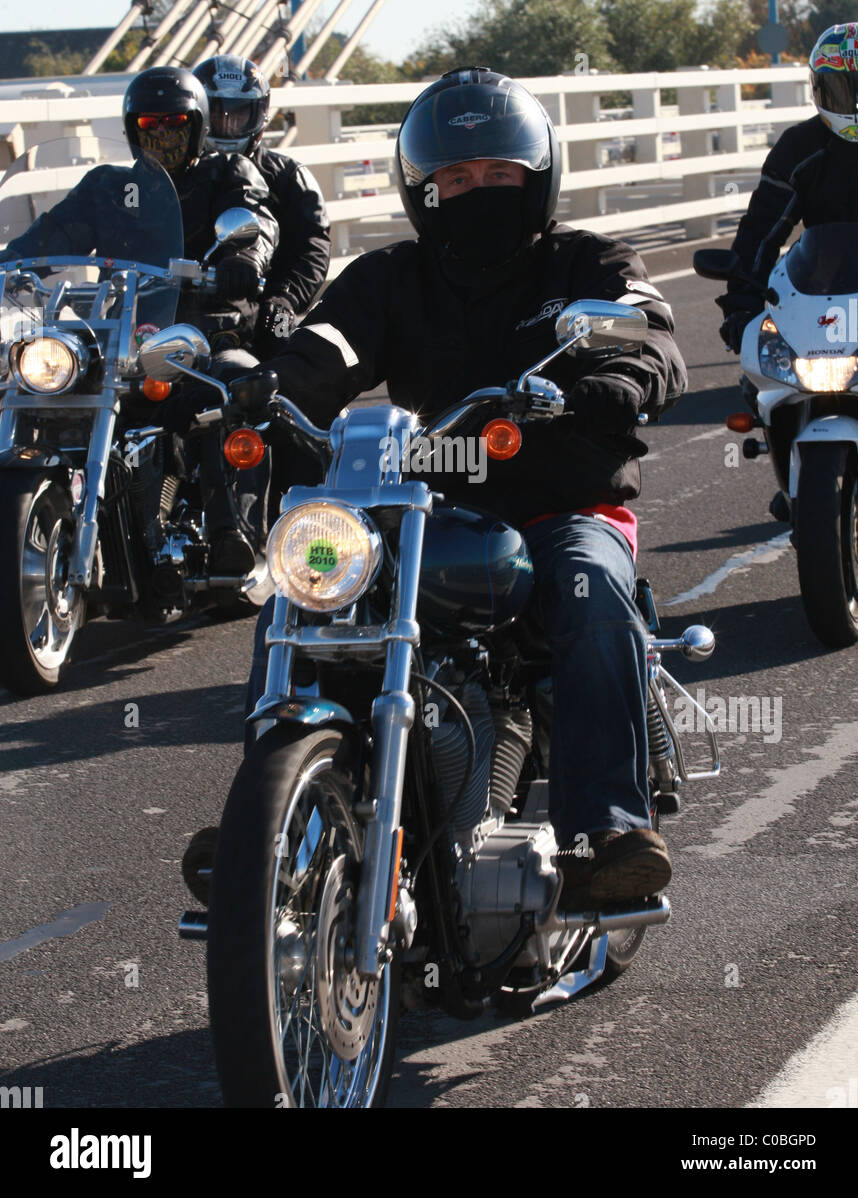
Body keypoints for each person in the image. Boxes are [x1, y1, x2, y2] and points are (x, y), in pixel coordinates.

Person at [239, 66, 687, 910]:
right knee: (306, 584)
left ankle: (609, 831)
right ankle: (268, 830)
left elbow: (649, 327)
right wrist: (271, 397)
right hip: (435, 495)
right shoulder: (393, 278)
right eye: (457, 177)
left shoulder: (584, 262)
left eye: (498, 175)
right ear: (426, 188)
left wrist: (621, 376)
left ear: (536, 178)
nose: (477, 190)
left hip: (564, 499)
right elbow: (329, 344)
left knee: (589, 592)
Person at [4, 65, 280, 575]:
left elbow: (256, 218)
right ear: (133, 130)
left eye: (175, 124)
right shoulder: (107, 187)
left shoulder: (228, 175)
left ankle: (230, 536)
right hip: (127, 334)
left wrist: (247, 261)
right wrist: (12, 262)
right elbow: (53, 233)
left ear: (197, 127)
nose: (163, 137)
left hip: (204, 331)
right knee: (43, 386)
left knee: (227, 389)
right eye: (151, 127)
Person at [718, 21, 858, 354]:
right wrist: (742, 307)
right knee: (762, 382)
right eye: (842, 90)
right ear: (818, 89)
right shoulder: (799, 147)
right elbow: (760, 231)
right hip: (828, 286)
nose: (855, 104)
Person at [192, 54, 330, 360]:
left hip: (269, 303)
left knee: (283, 354)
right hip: (189, 312)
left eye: (239, 114)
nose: (228, 125)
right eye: (218, 115)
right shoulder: (178, 177)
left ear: (260, 116)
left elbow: (314, 245)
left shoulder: (289, 176)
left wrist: (285, 295)